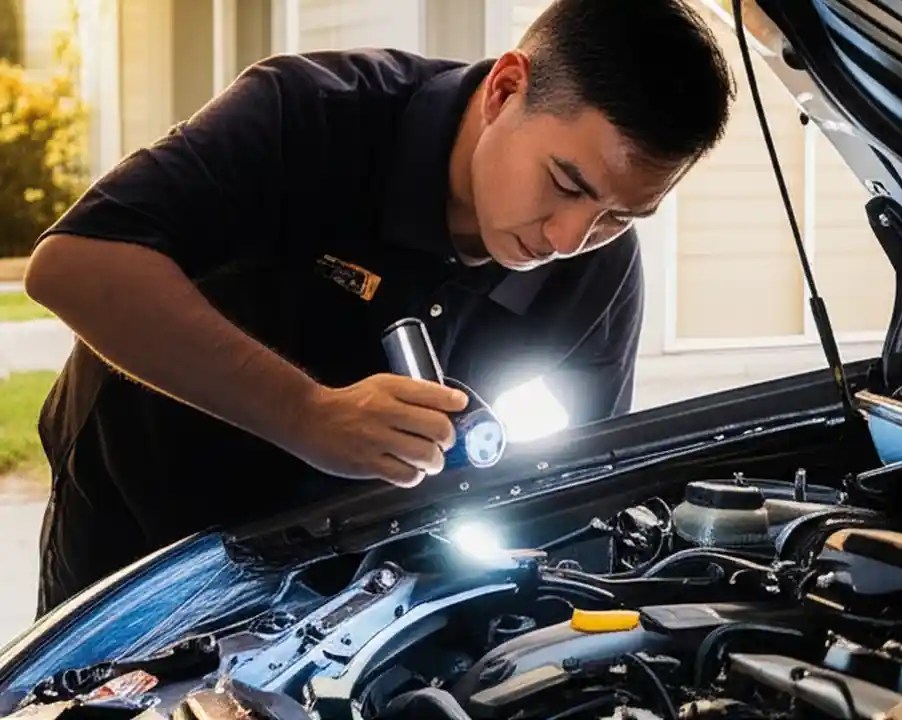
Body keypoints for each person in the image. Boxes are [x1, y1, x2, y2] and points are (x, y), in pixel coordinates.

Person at [23, 0, 734, 613]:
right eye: (566, 183)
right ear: (506, 89)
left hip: (363, 592)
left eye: (619, 215)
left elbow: (582, 488)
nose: (569, 238)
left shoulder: (598, 266)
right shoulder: (309, 114)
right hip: (147, 540)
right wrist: (308, 415)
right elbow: (75, 265)